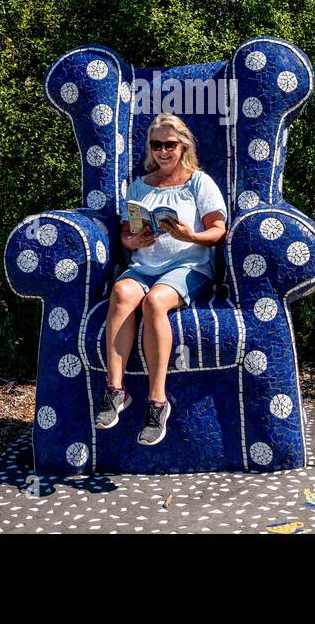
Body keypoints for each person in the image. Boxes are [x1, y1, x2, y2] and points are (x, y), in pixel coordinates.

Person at [96, 113, 227, 446]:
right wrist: (134, 241)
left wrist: (190, 235)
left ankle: (157, 402)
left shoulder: (199, 182)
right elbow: (126, 234)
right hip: (145, 265)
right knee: (122, 292)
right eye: (157, 145)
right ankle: (115, 391)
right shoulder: (140, 186)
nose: (164, 151)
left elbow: (218, 231)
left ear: (183, 145)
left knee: (155, 301)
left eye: (170, 144)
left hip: (189, 267)